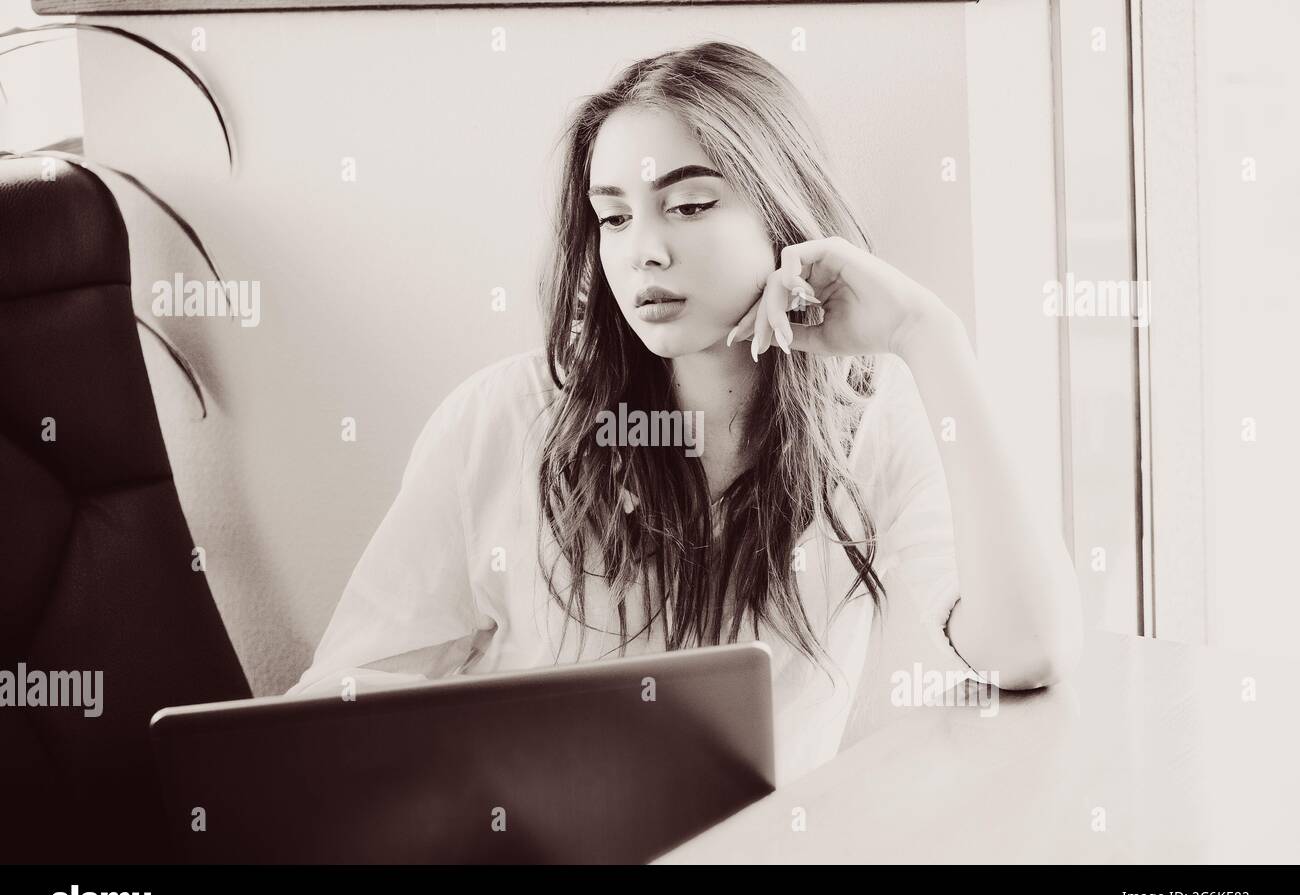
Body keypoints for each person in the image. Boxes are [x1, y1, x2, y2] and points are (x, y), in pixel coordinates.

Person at [286, 41, 1084, 787]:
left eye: (691, 204)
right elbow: (333, 706)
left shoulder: (866, 420)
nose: (644, 252)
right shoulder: (500, 420)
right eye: (616, 217)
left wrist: (926, 333)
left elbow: (1027, 650)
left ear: (784, 211)